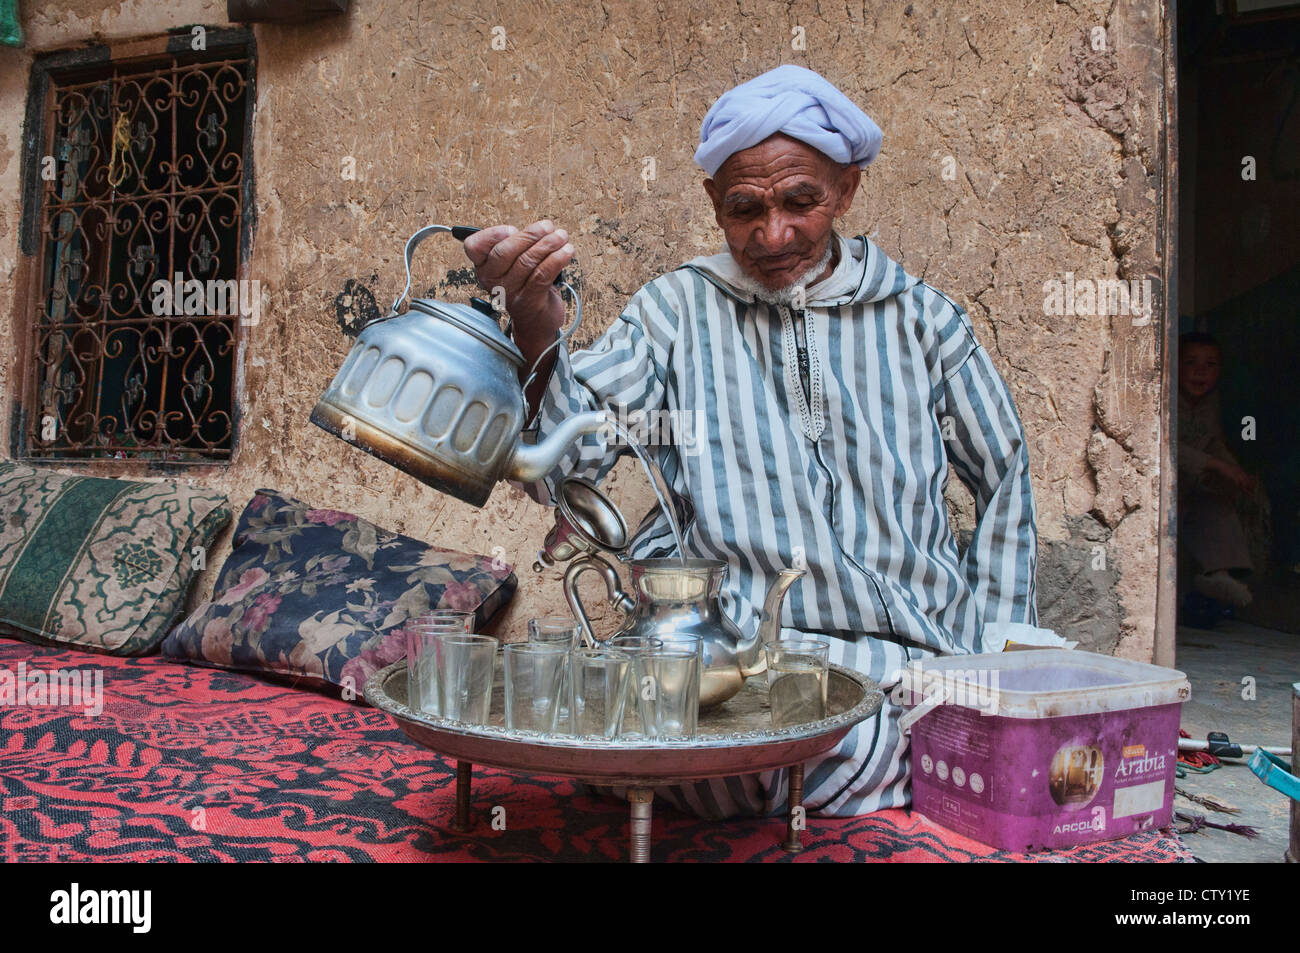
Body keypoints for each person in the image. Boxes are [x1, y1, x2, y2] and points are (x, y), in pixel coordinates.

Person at [463, 64, 1038, 818]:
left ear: (848, 189)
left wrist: (988, 663)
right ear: (713, 203)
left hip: (897, 669)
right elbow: (568, 466)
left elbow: (1003, 476)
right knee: (653, 735)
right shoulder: (676, 312)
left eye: (802, 201)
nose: (774, 235)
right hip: (728, 664)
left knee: (819, 752)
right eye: (745, 209)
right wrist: (536, 323)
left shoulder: (922, 321)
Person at [1177, 332, 1261, 608]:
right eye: (1191, 362)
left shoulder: (1211, 403)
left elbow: (1213, 442)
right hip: (1164, 488)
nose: (1201, 371)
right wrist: (1217, 466)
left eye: (1210, 364)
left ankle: (1218, 575)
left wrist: (1235, 472)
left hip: (1193, 486)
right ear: (1175, 365)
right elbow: (1164, 444)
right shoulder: (1164, 396)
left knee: (1216, 504)